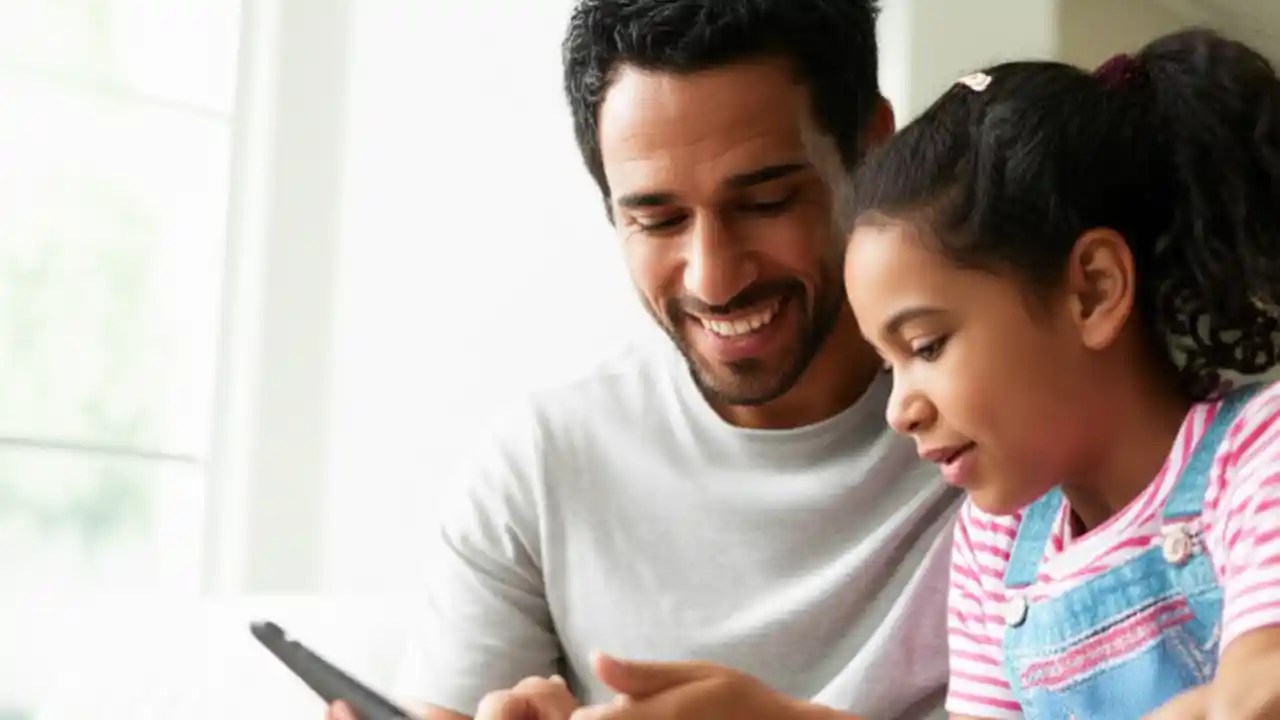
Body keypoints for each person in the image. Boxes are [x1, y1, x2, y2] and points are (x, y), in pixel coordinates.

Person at [327, 2, 960, 720]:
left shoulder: (1005, 429)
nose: (713, 279)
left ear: (873, 148)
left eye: (766, 201)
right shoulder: (544, 466)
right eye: (657, 220)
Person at [842, 28, 1280, 720]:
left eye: (926, 346)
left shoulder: (1257, 456)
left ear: (1094, 292)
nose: (900, 409)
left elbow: (1261, 692)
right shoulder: (994, 548)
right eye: (887, 363)